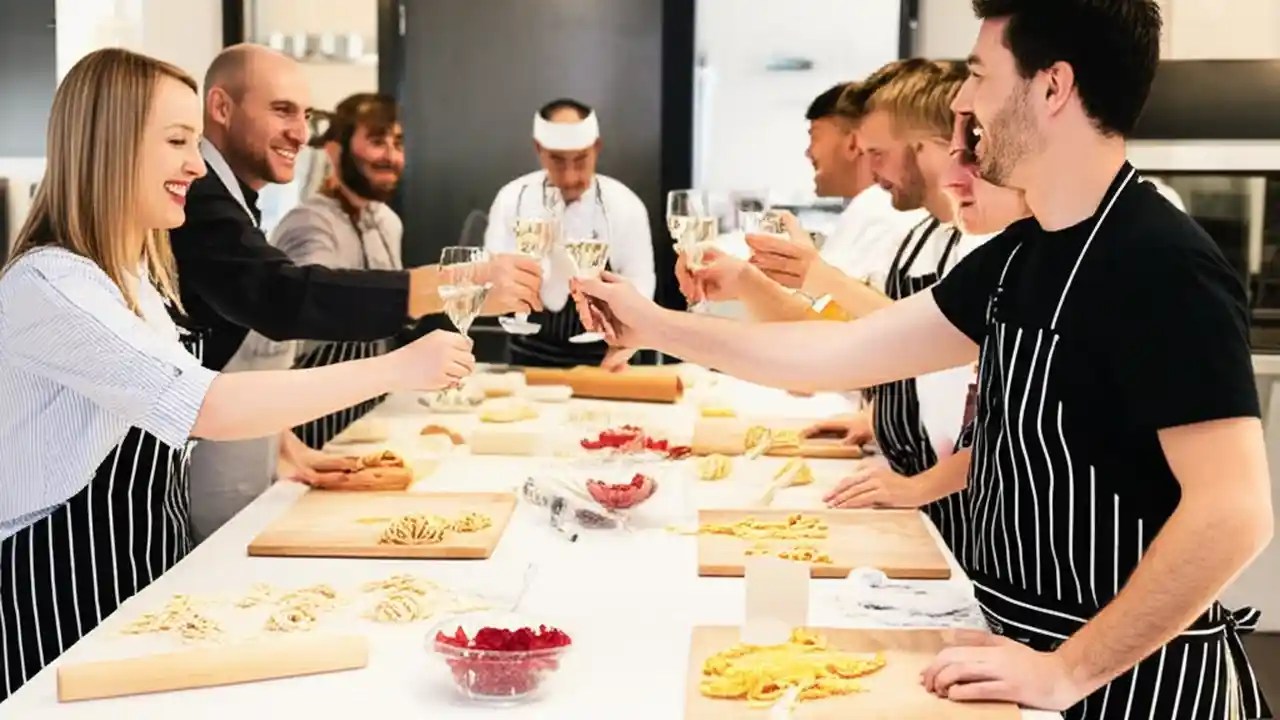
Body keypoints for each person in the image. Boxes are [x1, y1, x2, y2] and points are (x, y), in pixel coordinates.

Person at [570, 0, 1273, 716]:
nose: (964, 102)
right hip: (1012, 653)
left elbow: (1235, 513)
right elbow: (836, 351)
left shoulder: (1163, 263)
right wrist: (654, 321)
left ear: (1053, 87)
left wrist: (1068, 671)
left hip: (1130, 686)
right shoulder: (1020, 257)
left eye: (978, 75)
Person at [0, 48, 474, 699]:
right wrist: (396, 366)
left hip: (139, 575)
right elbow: (204, 403)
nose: (196, 166)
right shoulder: (51, 284)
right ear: (108, 145)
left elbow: (149, 405)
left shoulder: (132, 277)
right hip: (61, 592)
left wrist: (277, 438)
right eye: (176, 142)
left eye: (195, 141)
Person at [172, 45, 539, 541]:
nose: (301, 133)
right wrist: (453, 284)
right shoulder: (202, 195)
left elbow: (245, 320)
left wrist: (280, 439)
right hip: (199, 461)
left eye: (306, 116)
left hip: (250, 437)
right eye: (282, 110)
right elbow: (285, 303)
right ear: (219, 108)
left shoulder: (234, 198)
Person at [269, 92, 407, 451]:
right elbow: (320, 310)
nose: (391, 156)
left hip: (369, 415)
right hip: (312, 425)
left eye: (397, 143)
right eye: (377, 142)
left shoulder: (388, 222)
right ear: (334, 150)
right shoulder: (309, 223)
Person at [483, 98, 654, 371]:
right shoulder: (511, 199)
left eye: (581, 160)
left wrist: (621, 349)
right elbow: (489, 281)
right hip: (526, 363)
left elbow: (641, 289)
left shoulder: (625, 205)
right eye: (558, 161)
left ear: (596, 148)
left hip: (604, 359)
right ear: (539, 149)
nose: (571, 176)